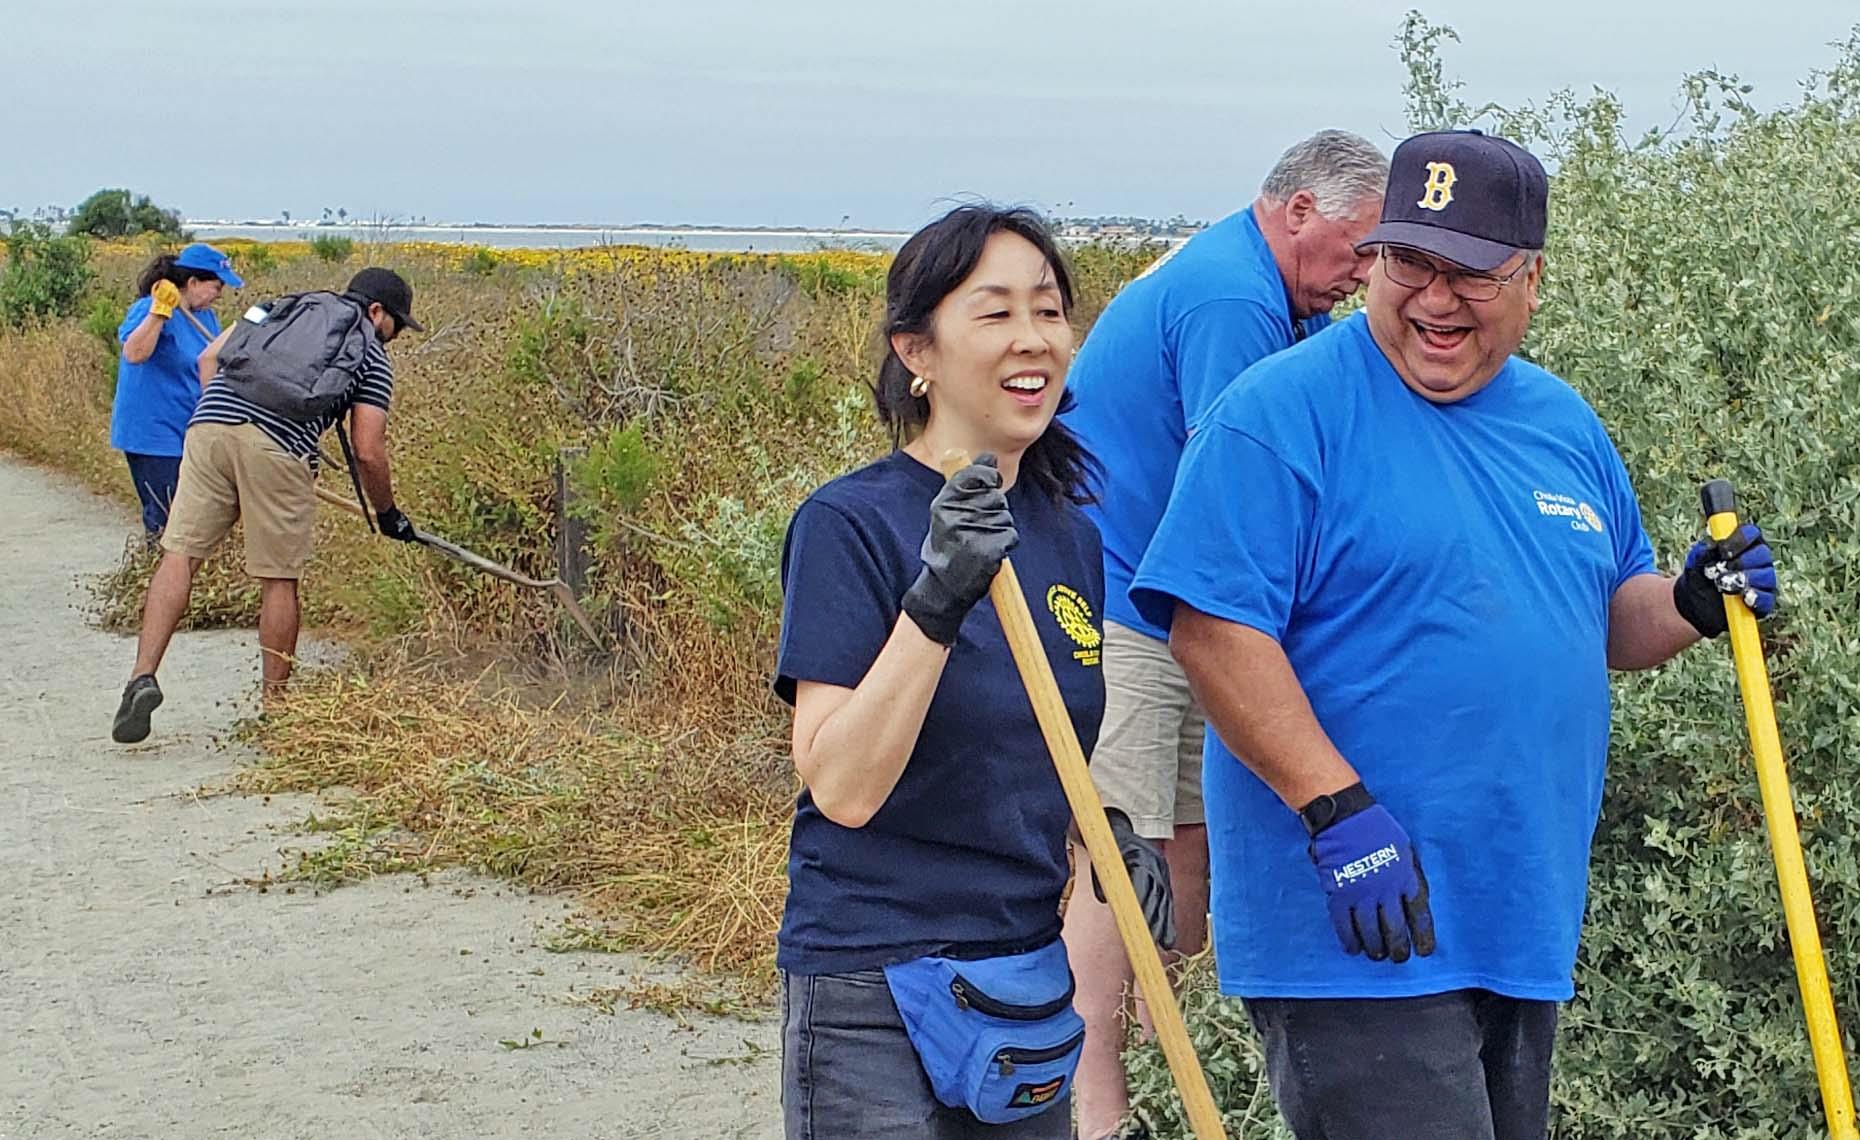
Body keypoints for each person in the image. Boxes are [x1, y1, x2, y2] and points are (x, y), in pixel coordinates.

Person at [1129, 130, 1779, 1140]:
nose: (1433, 299)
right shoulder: (1281, 412)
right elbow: (1213, 629)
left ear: (1530, 278)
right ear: (1376, 259)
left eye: (1469, 272)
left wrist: (1691, 603)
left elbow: (1606, 616)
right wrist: (1336, 812)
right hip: (1355, 924)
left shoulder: (1562, 424)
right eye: (1409, 262)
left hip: (1513, 910)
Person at [773, 205, 1172, 1139]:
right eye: (994, 314)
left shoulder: (1070, 533)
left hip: (1022, 977)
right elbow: (842, 785)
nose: (1032, 338)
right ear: (918, 350)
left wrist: (1100, 834)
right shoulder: (852, 525)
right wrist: (938, 599)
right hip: (874, 981)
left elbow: (1033, 741)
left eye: (1048, 309)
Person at [1057, 128, 1387, 1139]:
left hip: (1183, 598)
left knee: (1191, 850)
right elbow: (1240, 483)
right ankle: (1089, 1099)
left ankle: (1176, 1070)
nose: (1367, 274)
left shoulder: (1268, 287)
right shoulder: (1233, 302)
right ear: (1296, 212)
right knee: (1123, 852)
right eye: (1359, 249)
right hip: (1129, 598)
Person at [111, 267, 426, 744]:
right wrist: (387, 513)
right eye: (396, 327)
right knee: (279, 577)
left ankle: (141, 676)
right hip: (278, 450)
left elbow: (211, 358)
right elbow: (368, 448)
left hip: (209, 425)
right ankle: (276, 712)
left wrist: (230, 423)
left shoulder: (280, 304)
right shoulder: (372, 356)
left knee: (180, 555)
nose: (393, 338)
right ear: (377, 311)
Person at [110, 244, 243, 540]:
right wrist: (159, 313)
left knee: (195, 515)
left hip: (189, 429)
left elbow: (212, 362)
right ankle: (154, 576)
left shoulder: (205, 316)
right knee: (166, 517)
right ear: (193, 283)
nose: (219, 294)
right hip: (153, 434)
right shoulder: (149, 308)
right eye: (216, 286)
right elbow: (134, 353)